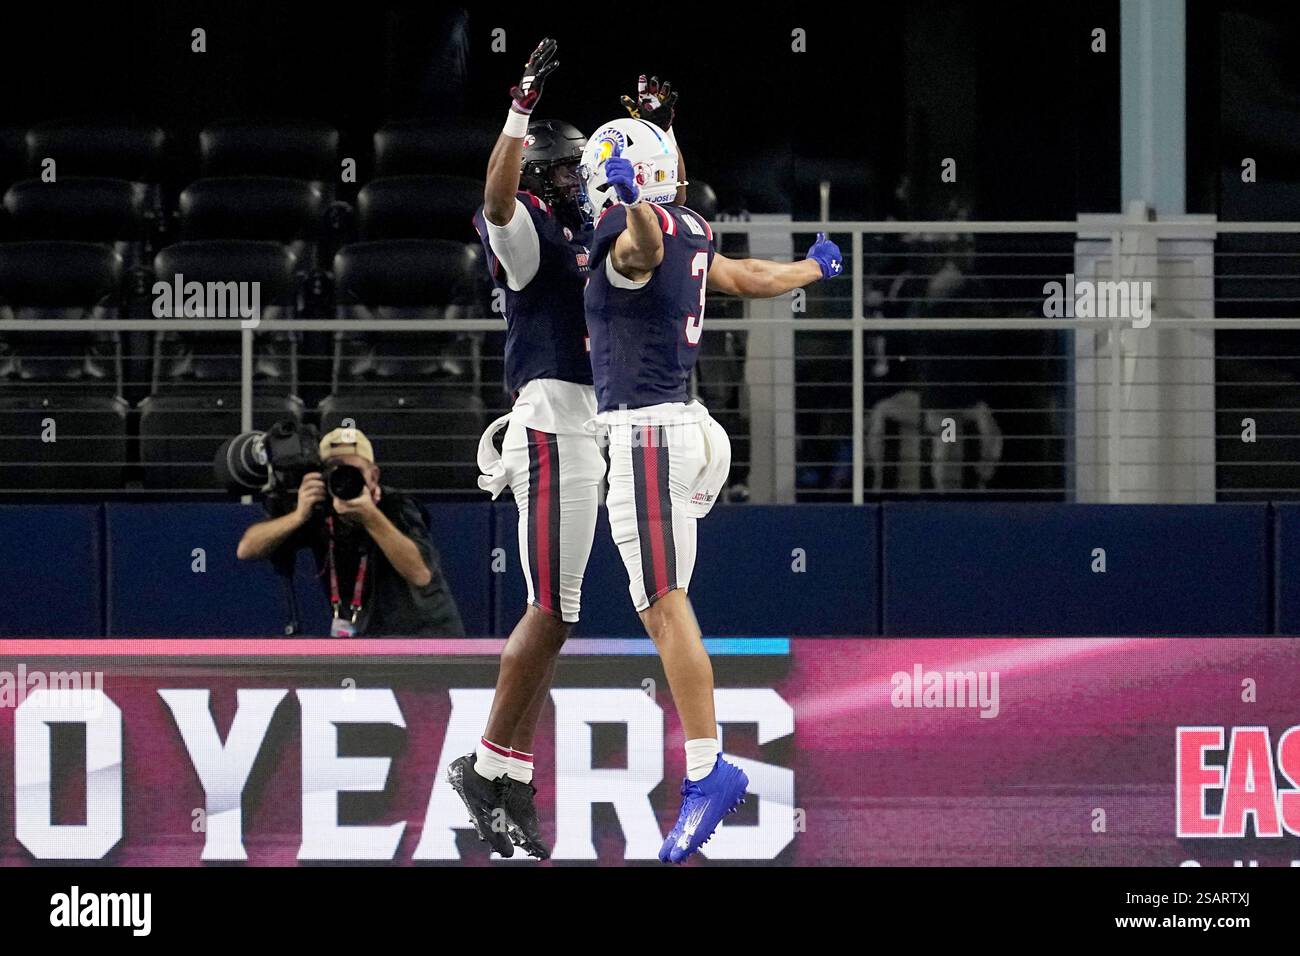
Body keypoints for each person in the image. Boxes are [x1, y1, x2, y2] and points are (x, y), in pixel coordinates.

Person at [580, 115, 843, 862]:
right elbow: (747, 278)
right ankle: (706, 764)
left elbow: (642, 246)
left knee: (665, 607)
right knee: (666, 592)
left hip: (649, 436)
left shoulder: (641, 229)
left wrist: (630, 201)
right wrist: (810, 270)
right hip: (696, 435)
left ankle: (708, 769)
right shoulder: (693, 224)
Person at [448, 37, 604, 861]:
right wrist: (520, 109)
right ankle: (483, 766)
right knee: (551, 605)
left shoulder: (589, 227)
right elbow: (499, 200)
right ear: (545, 171)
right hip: (552, 418)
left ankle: (503, 769)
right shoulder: (528, 223)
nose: (582, 179)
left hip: (592, 422)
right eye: (572, 168)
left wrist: (657, 130)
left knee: (561, 612)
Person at [236, 427, 464, 637]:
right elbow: (246, 549)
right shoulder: (319, 510)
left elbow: (421, 574)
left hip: (427, 637)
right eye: (331, 470)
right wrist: (297, 516)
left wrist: (370, 517)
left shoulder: (396, 505)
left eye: (350, 470)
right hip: (367, 640)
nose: (341, 477)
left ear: (373, 476)